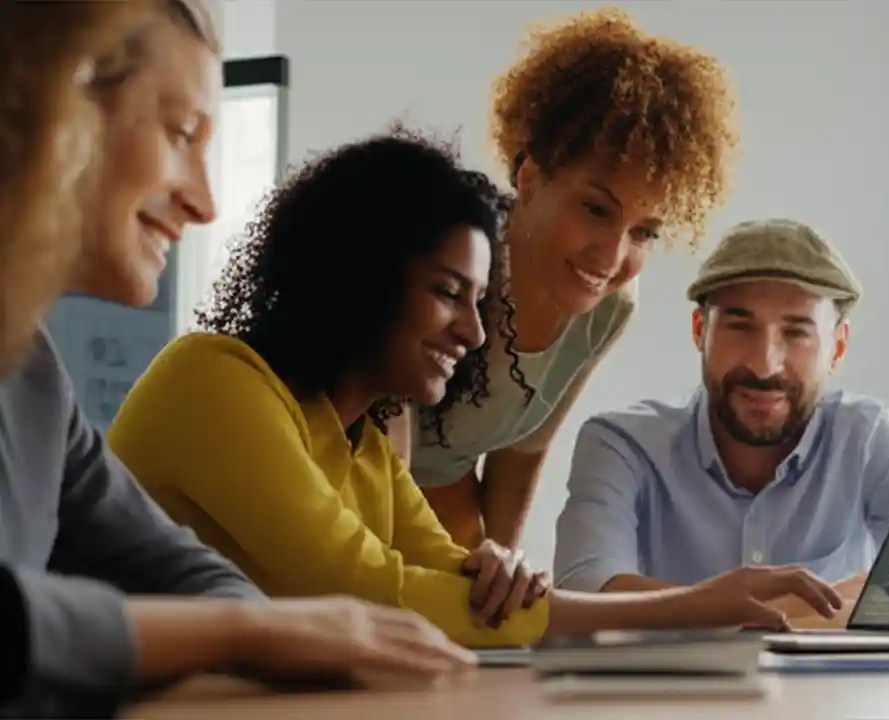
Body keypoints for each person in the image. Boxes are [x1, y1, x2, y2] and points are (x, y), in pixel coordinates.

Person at [107, 130, 843, 649]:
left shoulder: (362, 448)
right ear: (364, 274)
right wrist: (692, 606)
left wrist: (503, 569)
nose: (474, 332)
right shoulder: (214, 381)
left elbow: (450, 571)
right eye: (447, 293)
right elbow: (372, 589)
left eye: (480, 300)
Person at [0, 3, 473, 715]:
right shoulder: (207, 379)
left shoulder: (34, 376)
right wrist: (242, 632)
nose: (204, 202)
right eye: (181, 134)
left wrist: (253, 629)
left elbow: (186, 574)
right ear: (49, 109)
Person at [394, 6, 740, 550]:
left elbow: (523, 450)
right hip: (348, 472)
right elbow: (371, 435)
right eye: (596, 210)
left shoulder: (611, 306)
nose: (612, 255)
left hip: (439, 485)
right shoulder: (452, 256)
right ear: (531, 179)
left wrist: (503, 569)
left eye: (644, 232)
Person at [553, 219, 889, 627]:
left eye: (796, 333)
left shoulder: (865, 437)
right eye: (740, 327)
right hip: (676, 677)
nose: (765, 365)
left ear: (837, 347)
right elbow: (584, 592)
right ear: (700, 331)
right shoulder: (622, 444)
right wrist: (827, 608)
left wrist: (694, 613)